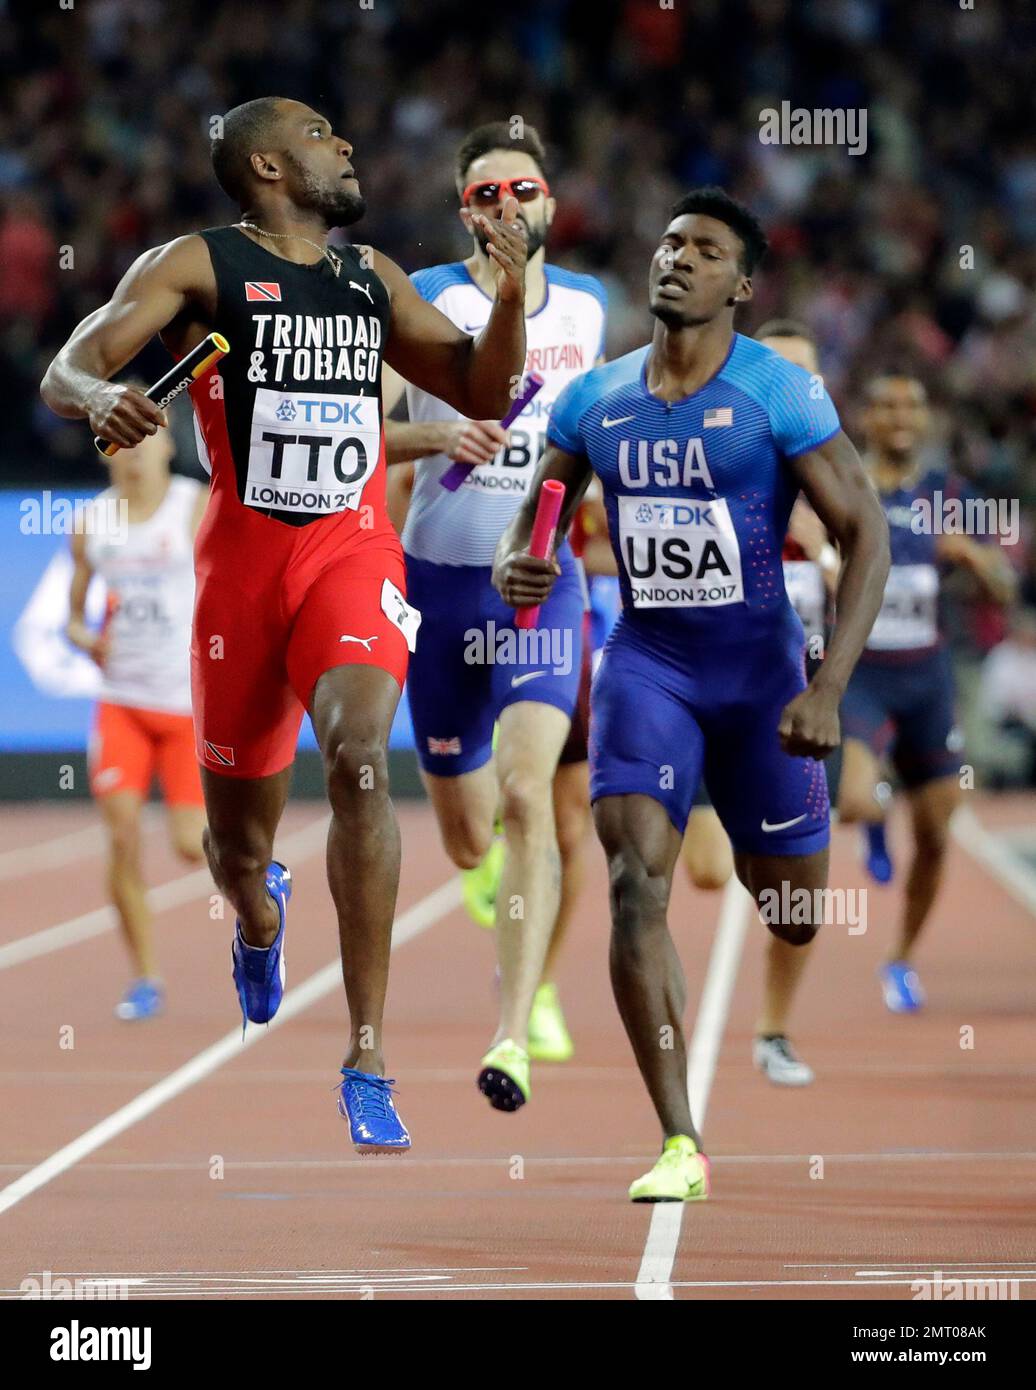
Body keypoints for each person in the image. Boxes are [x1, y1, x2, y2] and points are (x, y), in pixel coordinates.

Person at [41, 96, 527, 1152]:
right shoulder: (197, 265)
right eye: (320, 134)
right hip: (242, 576)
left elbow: (481, 380)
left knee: (359, 755)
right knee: (234, 851)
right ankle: (259, 920)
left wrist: (516, 286)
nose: (346, 143)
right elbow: (69, 364)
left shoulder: (371, 279)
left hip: (349, 554)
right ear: (267, 162)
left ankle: (366, 1055)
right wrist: (99, 397)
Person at [494, 187, 889, 1201]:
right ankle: (679, 1139)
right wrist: (521, 561)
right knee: (637, 882)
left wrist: (828, 686)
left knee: (793, 911)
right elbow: (541, 506)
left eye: (704, 250)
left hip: (763, 678)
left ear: (742, 285)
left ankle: (778, 866)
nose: (676, 258)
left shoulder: (779, 392)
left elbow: (866, 533)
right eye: (669, 242)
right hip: (647, 667)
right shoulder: (595, 395)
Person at [380, 122, 607, 1106]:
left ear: (550, 200)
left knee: (531, 800)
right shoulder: (430, 299)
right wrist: (441, 430)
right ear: (464, 211)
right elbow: (368, 432)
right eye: (485, 195)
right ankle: (486, 880)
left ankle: (514, 1027)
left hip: (539, 586)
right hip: (437, 586)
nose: (506, 206)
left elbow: (594, 433)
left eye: (521, 189)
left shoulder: (593, 309)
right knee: (471, 838)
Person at [676, 318, 841, 1088]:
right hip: (717, 691)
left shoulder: (836, 476)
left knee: (797, 901)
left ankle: (773, 1028)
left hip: (802, 709)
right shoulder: (718, 459)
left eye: (808, 373)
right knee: (712, 873)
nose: (796, 387)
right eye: (783, 371)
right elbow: (614, 544)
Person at [838, 374, 1016, 1012]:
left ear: (926, 417)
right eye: (886, 404)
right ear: (867, 417)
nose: (900, 415)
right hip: (859, 673)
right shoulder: (841, 481)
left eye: (912, 403)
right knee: (856, 801)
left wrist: (971, 557)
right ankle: (877, 818)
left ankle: (902, 959)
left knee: (939, 832)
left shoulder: (949, 494)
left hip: (926, 678)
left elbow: (1003, 586)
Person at [66, 416, 207, 1020]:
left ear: (169, 444)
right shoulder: (91, 523)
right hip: (121, 702)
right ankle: (146, 977)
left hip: (184, 706)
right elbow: (73, 617)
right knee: (121, 836)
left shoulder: (193, 505)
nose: (133, 455)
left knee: (191, 849)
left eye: (144, 441)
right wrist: (85, 640)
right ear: (105, 456)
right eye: (118, 445)